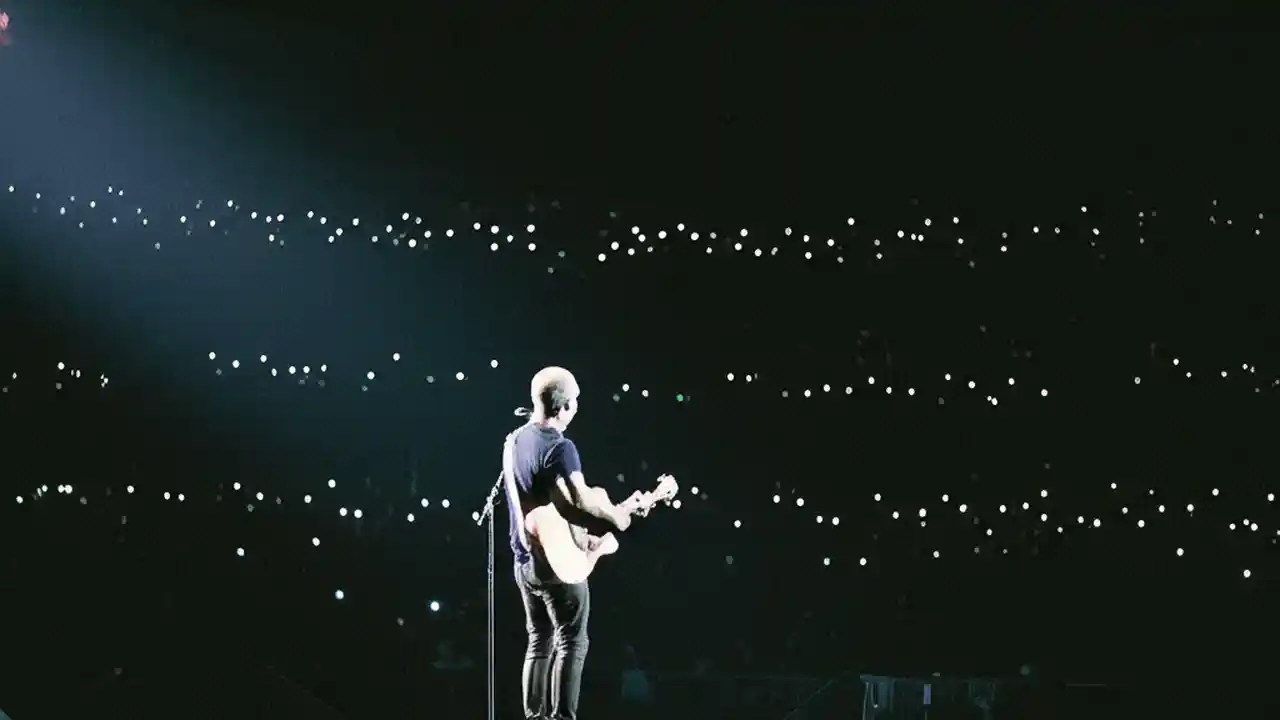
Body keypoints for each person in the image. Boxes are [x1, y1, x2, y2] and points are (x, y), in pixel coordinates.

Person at [505, 366, 636, 720]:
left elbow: (547, 503)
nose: (577, 405)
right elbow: (579, 502)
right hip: (555, 565)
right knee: (572, 641)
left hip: (524, 559)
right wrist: (618, 517)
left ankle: (534, 717)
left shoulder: (515, 440)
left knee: (539, 639)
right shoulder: (560, 448)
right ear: (564, 407)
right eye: (575, 399)